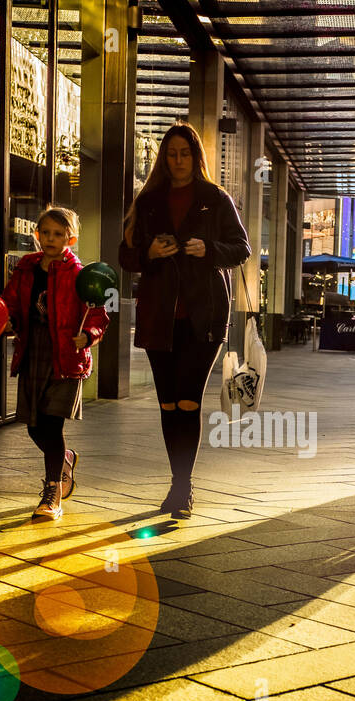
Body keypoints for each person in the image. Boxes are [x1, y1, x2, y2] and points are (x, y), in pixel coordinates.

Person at [118, 123, 249, 518]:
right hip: (159, 315)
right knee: (168, 403)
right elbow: (125, 256)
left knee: (188, 400)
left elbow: (240, 249)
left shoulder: (215, 198)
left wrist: (208, 249)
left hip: (203, 316)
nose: (178, 161)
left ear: (196, 157)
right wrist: (150, 254)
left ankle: (182, 487)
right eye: (172, 154)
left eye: (185, 154)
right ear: (164, 157)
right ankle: (178, 481)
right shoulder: (150, 199)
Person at [1, 206, 110, 519]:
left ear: (70, 238)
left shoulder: (80, 275)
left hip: (65, 357)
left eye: (58, 234)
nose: (50, 238)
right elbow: (10, 301)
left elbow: (98, 315)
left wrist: (88, 335)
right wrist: (7, 320)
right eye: (45, 232)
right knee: (33, 425)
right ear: (37, 235)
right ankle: (65, 459)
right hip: (32, 351)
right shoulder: (25, 267)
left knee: (51, 423)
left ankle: (52, 493)